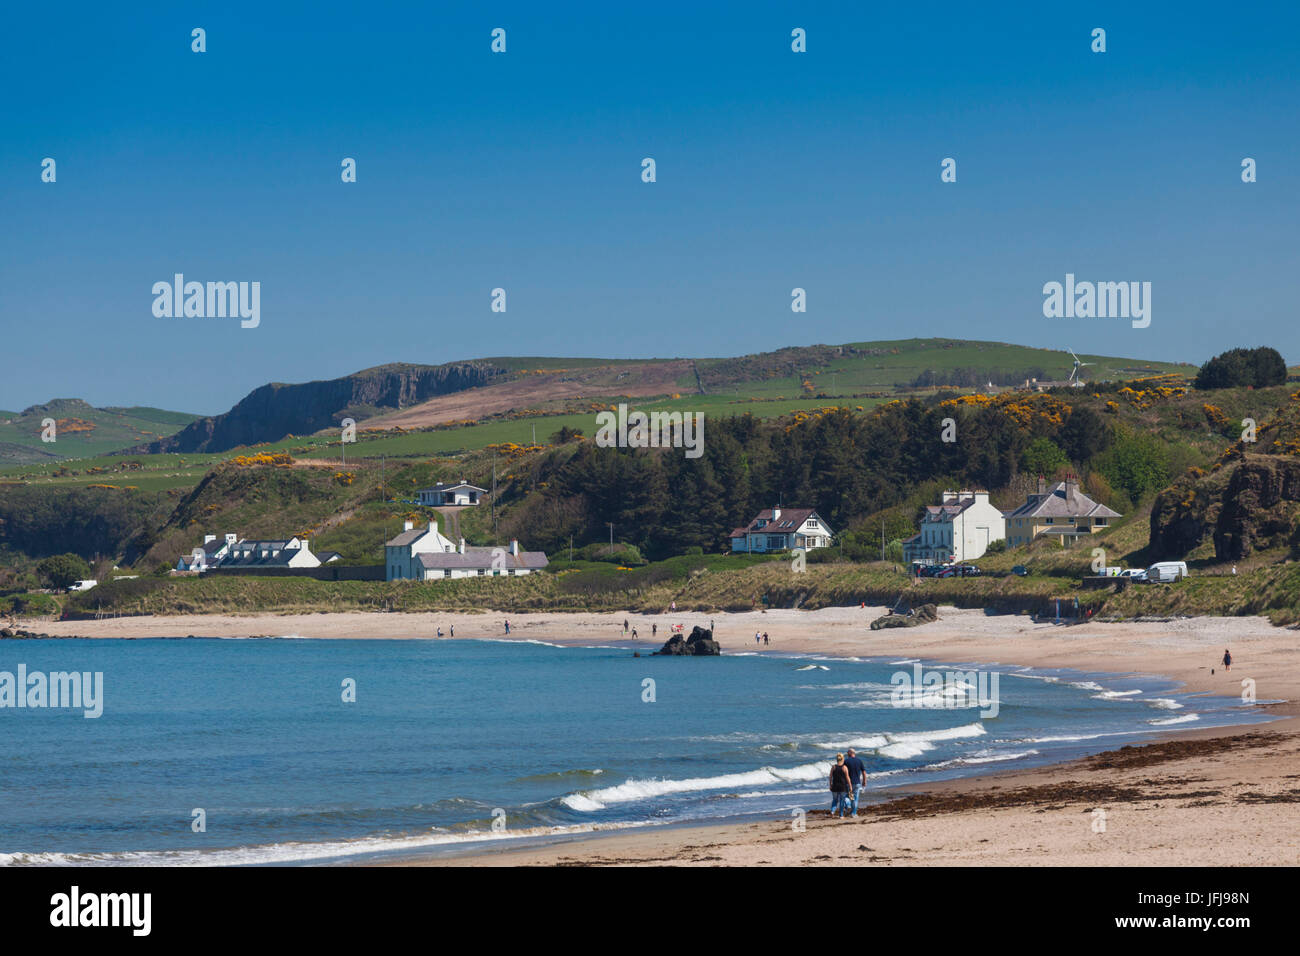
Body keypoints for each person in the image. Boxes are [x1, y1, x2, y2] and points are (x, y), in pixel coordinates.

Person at [843, 748, 867, 816]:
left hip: (849, 783)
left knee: (847, 797)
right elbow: (864, 772)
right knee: (855, 799)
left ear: (850, 753)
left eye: (848, 753)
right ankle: (854, 813)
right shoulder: (859, 761)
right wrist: (864, 781)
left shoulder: (846, 761)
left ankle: (848, 805)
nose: (847, 754)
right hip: (857, 783)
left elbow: (843, 772)